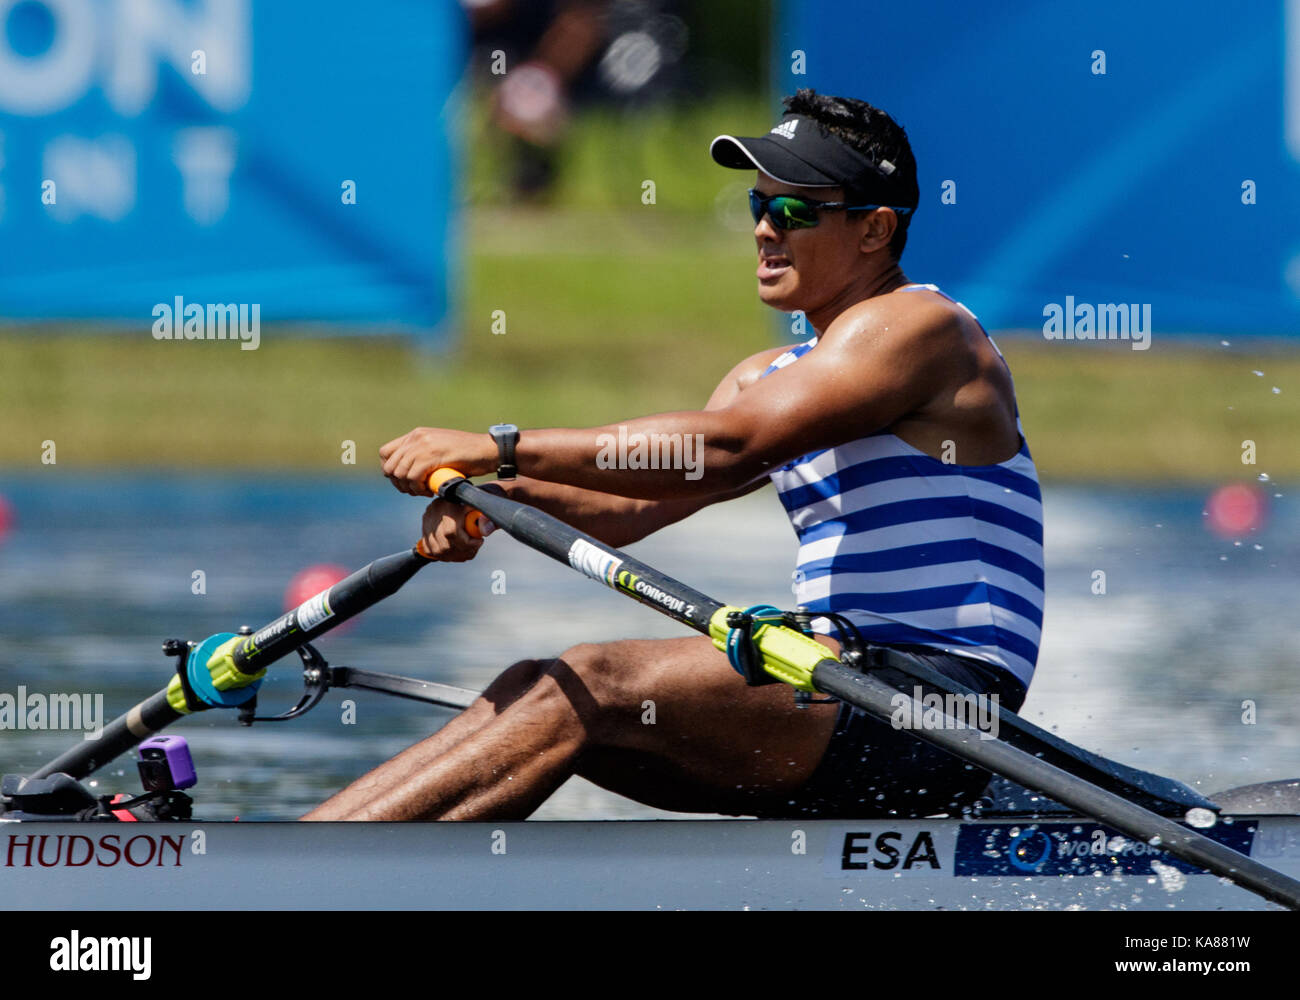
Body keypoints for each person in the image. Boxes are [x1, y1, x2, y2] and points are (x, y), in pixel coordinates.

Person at [302, 89, 1044, 822]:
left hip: (942, 708)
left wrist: (500, 448)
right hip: (842, 684)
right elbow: (626, 507)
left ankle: (309, 868)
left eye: (794, 211)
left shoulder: (921, 327)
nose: (765, 230)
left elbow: (727, 449)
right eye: (758, 206)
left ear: (875, 228)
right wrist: (495, 500)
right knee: (538, 687)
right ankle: (316, 849)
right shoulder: (771, 378)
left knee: (591, 681)